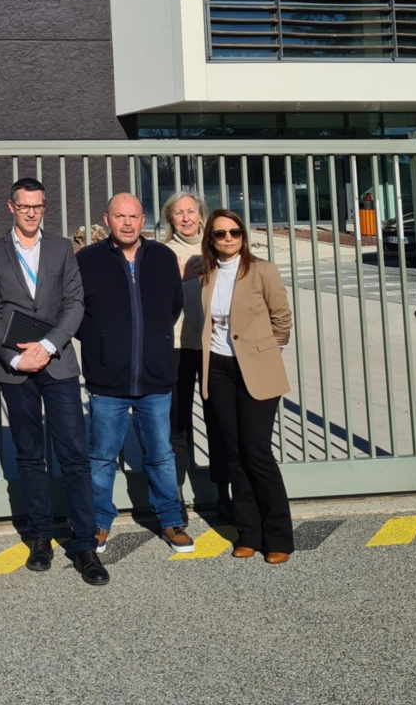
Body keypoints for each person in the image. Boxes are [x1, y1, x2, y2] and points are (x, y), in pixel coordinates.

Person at [0, 178, 107, 586]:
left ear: (43, 208)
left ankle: (85, 544)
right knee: (30, 456)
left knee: (74, 455)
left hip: (57, 363)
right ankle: (40, 538)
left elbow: (74, 302)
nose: (32, 213)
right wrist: (16, 356)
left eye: (38, 206)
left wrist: (47, 346)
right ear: (10, 207)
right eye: (25, 206)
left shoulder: (61, 248)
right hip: (15, 367)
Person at [77, 193, 193, 555]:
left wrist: (155, 342)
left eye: (134, 216)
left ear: (144, 220)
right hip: (108, 380)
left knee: (160, 454)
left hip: (156, 378)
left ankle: (171, 521)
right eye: (119, 216)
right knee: (101, 458)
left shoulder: (161, 257)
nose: (127, 223)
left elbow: (173, 306)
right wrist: (102, 344)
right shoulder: (88, 260)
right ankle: (98, 523)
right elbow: (78, 313)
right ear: (106, 219)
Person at [200, 207, 294, 564]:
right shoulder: (207, 273)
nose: (228, 239)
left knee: (257, 452)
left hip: (256, 368)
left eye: (234, 232)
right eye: (220, 234)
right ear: (211, 239)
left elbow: (281, 318)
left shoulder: (262, 270)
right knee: (234, 454)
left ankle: (279, 536)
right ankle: (248, 534)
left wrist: (267, 353)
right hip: (220, 367)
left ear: (243, 236)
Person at [158, 191, 217, 510]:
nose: (185, 218)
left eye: (191, 211)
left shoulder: (218, 247)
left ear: (201, 214)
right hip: (178, 348)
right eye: (178, 213)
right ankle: (176, 496)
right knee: (178, 425)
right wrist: (179, 277)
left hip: (214, 348)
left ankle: (223, 495)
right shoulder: (163, 252)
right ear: (170, 219)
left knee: (219, 422)